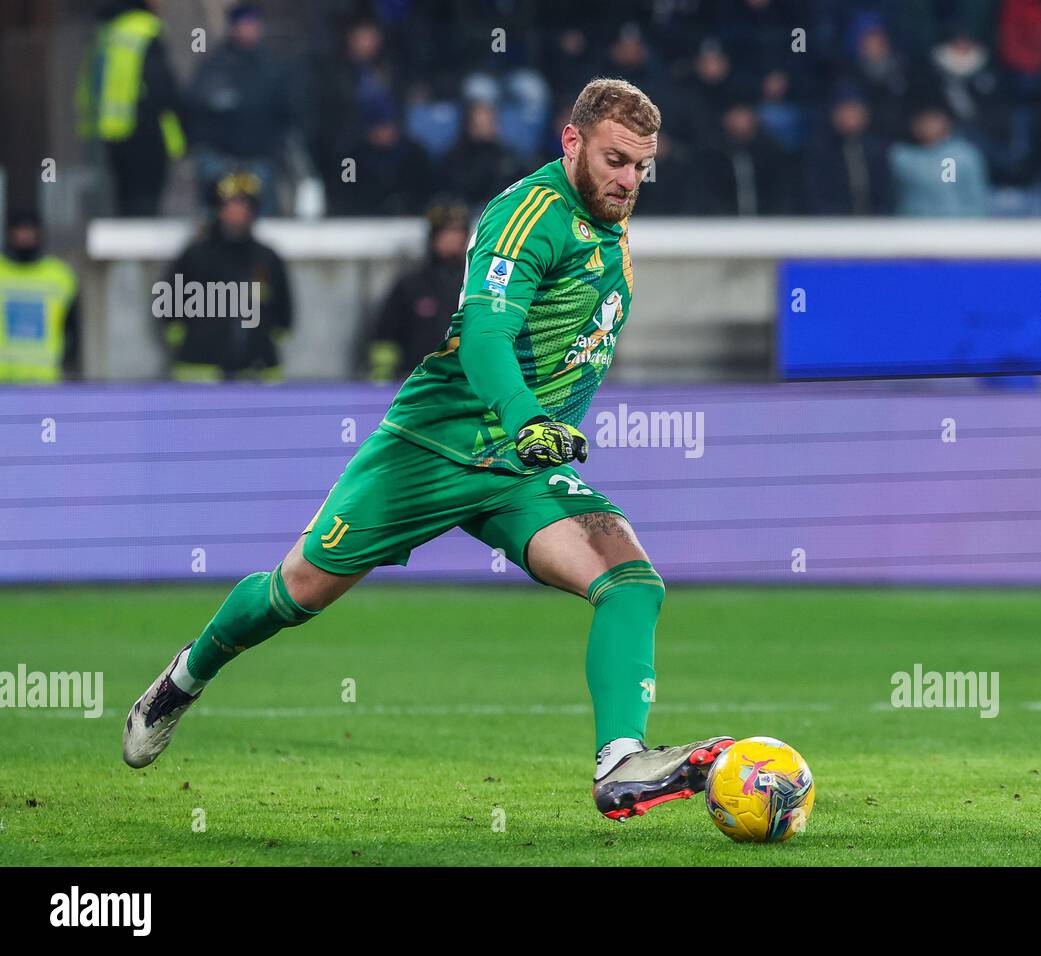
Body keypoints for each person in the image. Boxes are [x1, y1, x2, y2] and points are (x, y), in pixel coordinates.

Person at [122, 78, 734, 821]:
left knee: (632, 580)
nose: (628, 181)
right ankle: (184, 678)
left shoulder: (608, 221)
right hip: (433, 447)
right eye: (614, 160)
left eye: (641, 166)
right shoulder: (525, 215)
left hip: (518, 468)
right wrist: (524, 416)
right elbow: (484, 335)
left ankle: (619, 764)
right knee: (297, 592)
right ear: (569, 141)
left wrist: (533, 431)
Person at [159, 171, 293, 381]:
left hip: (257, 373)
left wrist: (265, 344)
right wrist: (187, 340)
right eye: (232, 204)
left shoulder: (267, 259)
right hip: (199, 372)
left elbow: (285, 315)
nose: (239, 211)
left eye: (246, 205)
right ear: (219, 208)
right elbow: (168, 307)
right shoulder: (195, 255)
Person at [186, 2, 297, 215]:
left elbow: (287, 112)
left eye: (253, 25)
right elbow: (196, 109)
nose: (249, 31)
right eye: (244, 25)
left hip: (260, 160)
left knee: (263, 222)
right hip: (219, 161)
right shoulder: (213, 67)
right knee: (215, 221)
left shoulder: (273, 68)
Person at [77, 0, 186, 216]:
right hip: (146, 132)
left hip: (111, 131)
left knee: (124, 202)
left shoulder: (106, 31)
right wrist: (184, 119)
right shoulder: (145, 28)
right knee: (144, 205)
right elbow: (161, 86)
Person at [366, 201, 470, 382]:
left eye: (458, 233)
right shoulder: (410, 284)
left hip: (466, 383)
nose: (453, 239)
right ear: (433, 237)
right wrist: (382, 378)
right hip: (416, 383)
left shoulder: (476, 283)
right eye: (446, 233)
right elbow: (385, 335)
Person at [0, 211, 80, 383]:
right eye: (19, 231)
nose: (24, 236)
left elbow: (73, 329)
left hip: (44, 381)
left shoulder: (60, 276)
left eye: (29, 231)